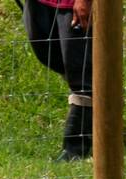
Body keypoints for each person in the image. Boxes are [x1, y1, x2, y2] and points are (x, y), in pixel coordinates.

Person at [23, 0, 93, 160]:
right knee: (48, 54)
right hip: (39, 4)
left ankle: (75, 149)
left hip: (72, 5)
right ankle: (101, 118)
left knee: (82, 74)